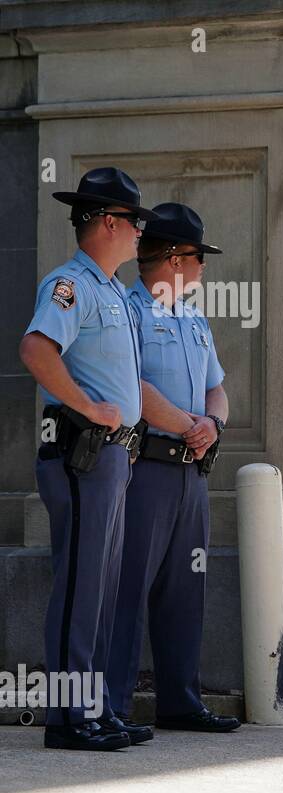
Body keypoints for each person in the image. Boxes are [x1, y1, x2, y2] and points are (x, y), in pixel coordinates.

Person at [18, 167, 158, 751]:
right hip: (82, 455)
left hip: (113, 460)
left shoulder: (115, 295)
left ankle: (93, 708)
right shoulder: (68, 284)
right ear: (107, 222)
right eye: (133, 224)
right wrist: (89, 408)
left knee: (100, 585)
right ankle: (70, 716)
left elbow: (129, 384)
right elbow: (35, 349)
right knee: (81, 584)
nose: (138, 235)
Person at [106, 203, 239, 733]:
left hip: (191, 472)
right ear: (174, 258)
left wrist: (212, 423)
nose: (204, 268)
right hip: (147, 467)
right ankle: (111, 707)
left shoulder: (194, 317)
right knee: (128, 588)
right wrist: (190, 425)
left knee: (186, 589)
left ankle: (180, 700)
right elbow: (132, 388)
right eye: (198, 257)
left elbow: (217, 387)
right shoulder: (131, 311)